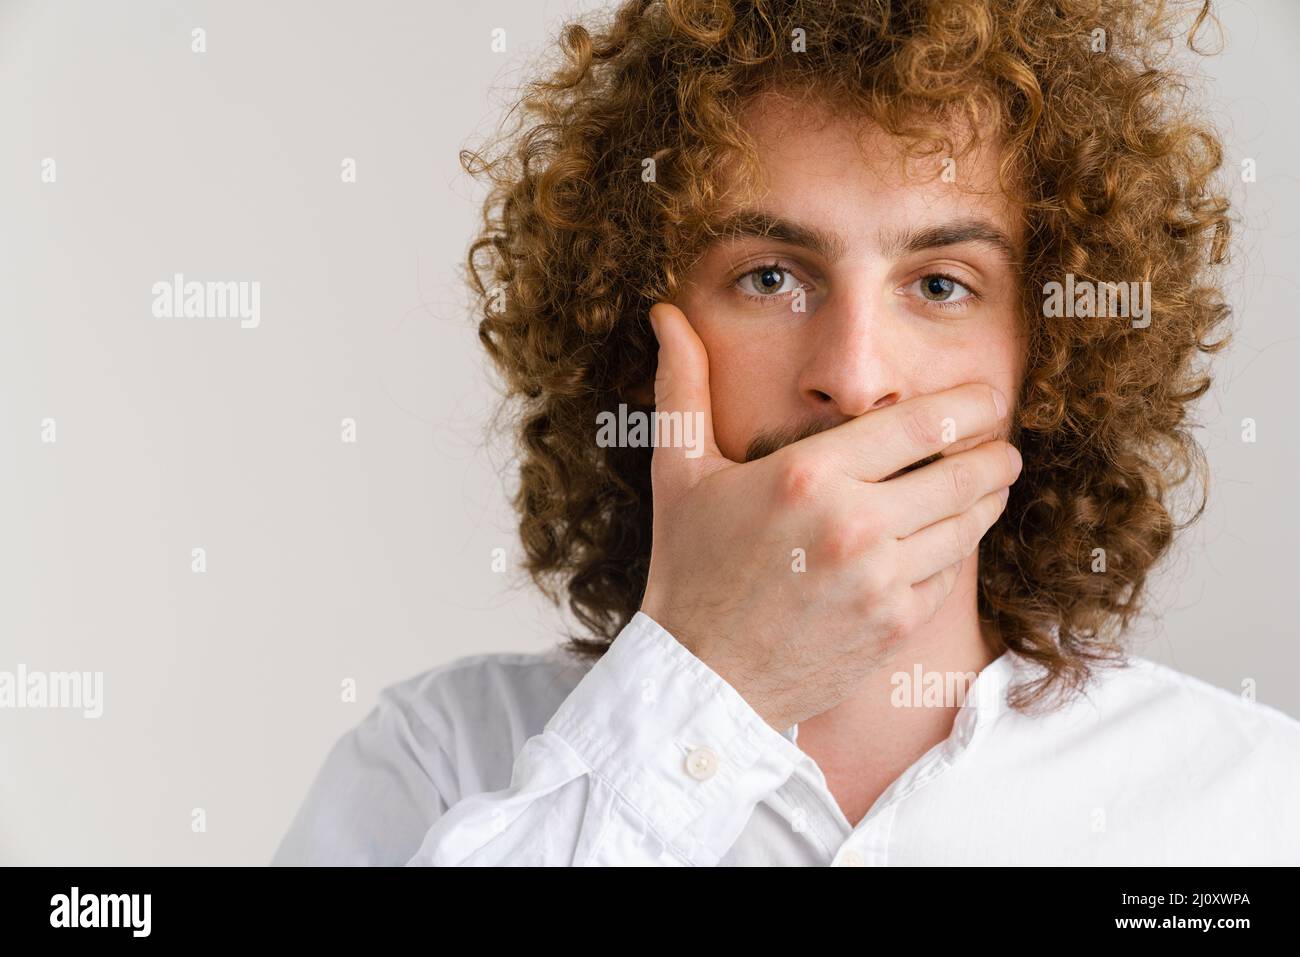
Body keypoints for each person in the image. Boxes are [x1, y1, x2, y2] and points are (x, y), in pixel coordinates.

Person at [273, 0, 1300, 866]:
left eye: (940, 285)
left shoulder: (1248, 805)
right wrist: (712, 682)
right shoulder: (435, 761)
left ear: (1047, 361)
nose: (853, 382)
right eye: (770, 277)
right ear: (637, 324)